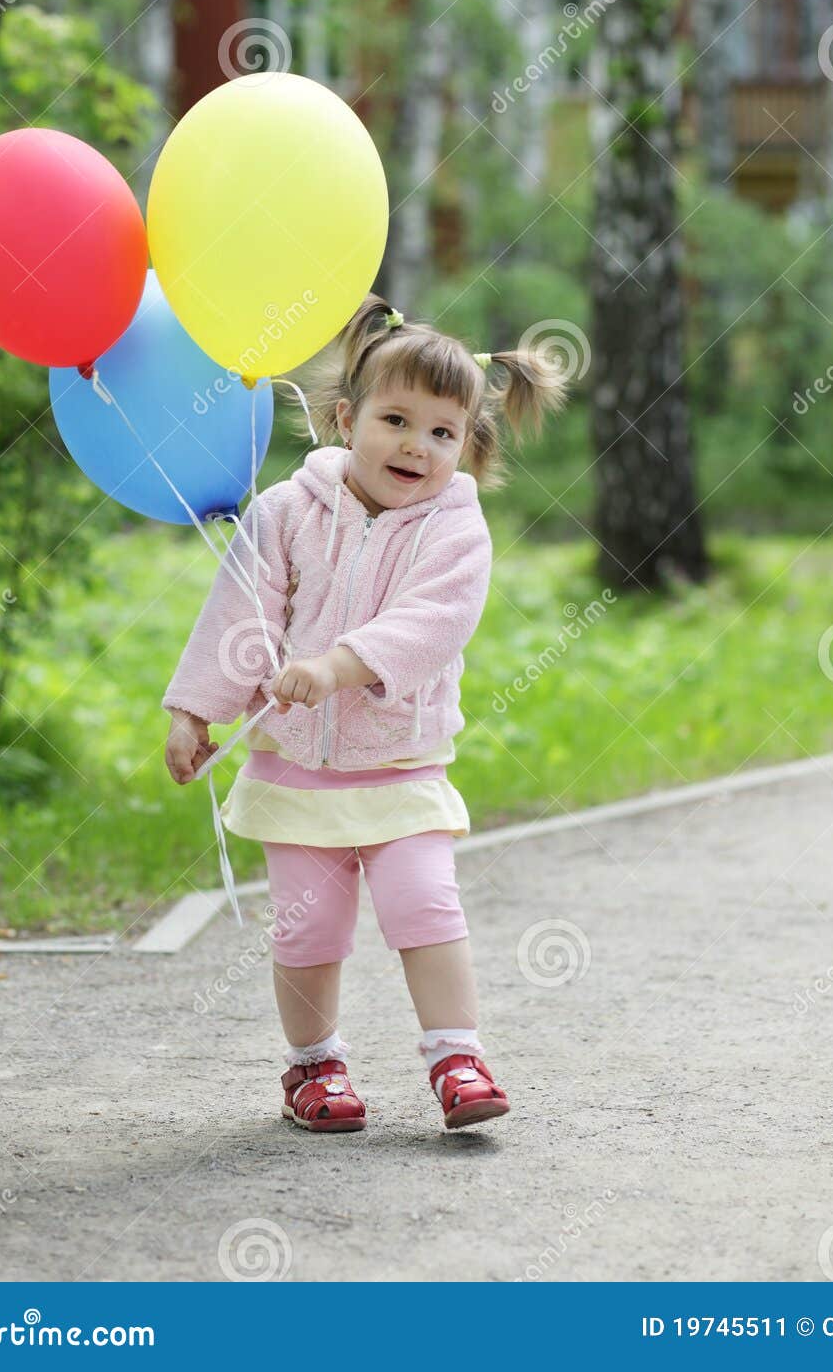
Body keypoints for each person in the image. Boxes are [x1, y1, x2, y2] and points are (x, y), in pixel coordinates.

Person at [163, 293, 567, 1132]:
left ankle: (456, 1055)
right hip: (293, 767)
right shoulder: (286, 511)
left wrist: (340, 665)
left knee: (425, 906)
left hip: (399, 762)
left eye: (441, 433)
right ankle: (315, 1069)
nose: (416, 445)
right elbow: (241, 615)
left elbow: (433, 623)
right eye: (395, 419)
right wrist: (196, 711)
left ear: (467, 445)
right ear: (347, 419)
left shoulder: (456, 529)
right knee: (308, 934)